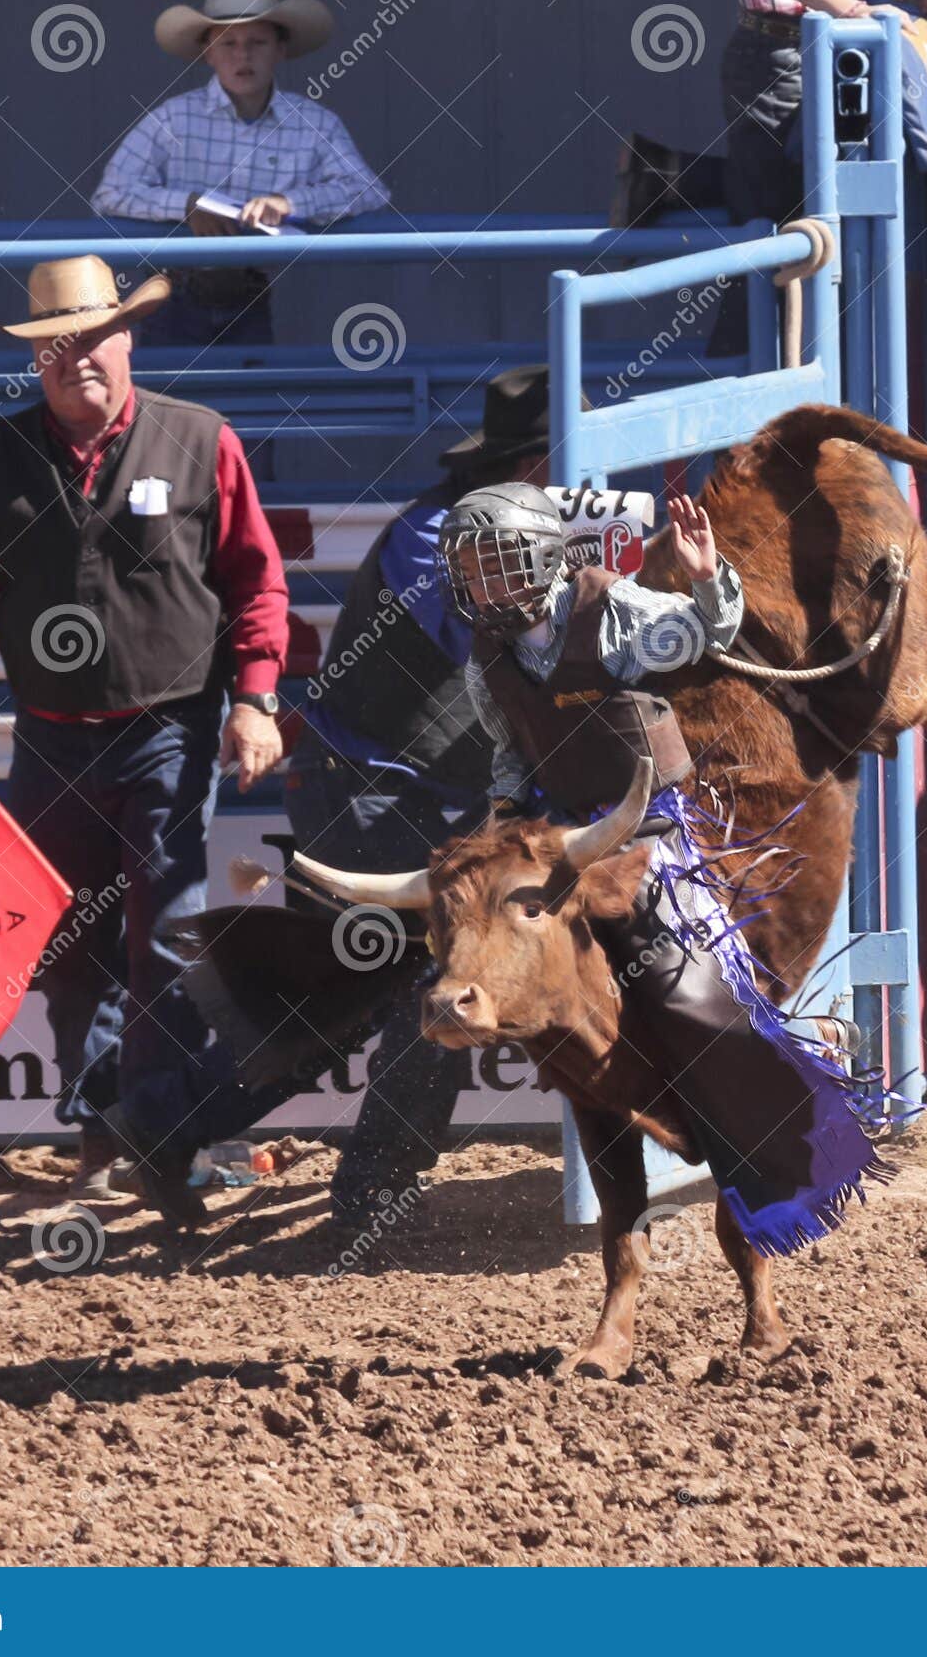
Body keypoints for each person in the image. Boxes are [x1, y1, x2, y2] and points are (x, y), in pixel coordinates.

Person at [0, 254, 289, 1225]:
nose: (72, 356)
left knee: (164, 936)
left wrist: (254, 697)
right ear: (35, 357)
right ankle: (101, 1133)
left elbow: (256, 580)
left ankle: (157, 1133)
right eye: (52, 344)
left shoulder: (200, 442)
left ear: (128, 338)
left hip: (169, 726)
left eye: (89, 337)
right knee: (70, 941)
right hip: (48, 738)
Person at [439, 486, 891, 1255]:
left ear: (543, 557)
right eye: (472, 574)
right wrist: (501, 816)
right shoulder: (489, 657)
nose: (486, 588)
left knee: (691, 989)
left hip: (649, 834)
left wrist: (708, 574)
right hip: (561, 841)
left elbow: (703, 631)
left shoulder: (610, 616)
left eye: (499, 568)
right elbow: (512, 745)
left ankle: (785, 1109)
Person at [282, 368, 565, 1223]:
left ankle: (165, 1125)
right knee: (417, 990)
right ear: (537, 466)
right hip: (367, 791)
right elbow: (503, 639)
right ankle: (371, 1188)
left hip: (405, 790)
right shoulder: (438, 539)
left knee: (360, 999)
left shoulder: (465, 527)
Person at [91, 0, 389, 349]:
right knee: (168, 401)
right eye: (227, 42)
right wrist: (184, 206)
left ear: (280, 48)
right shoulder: (171, 119)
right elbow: (110, 194)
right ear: (208, 52)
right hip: (174, 294)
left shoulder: (312, 122)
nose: (242, 55)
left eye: (257, 42)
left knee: (252, 398)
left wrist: (291, 204)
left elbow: (368, 190)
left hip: (249, 296)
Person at [710, 0, 909, 356]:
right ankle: (737, 397)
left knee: (808, 223)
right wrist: (855, 11)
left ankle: (661, 173)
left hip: (818, 46)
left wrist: (889, 7)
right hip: (777, 49)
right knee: (772, 231)